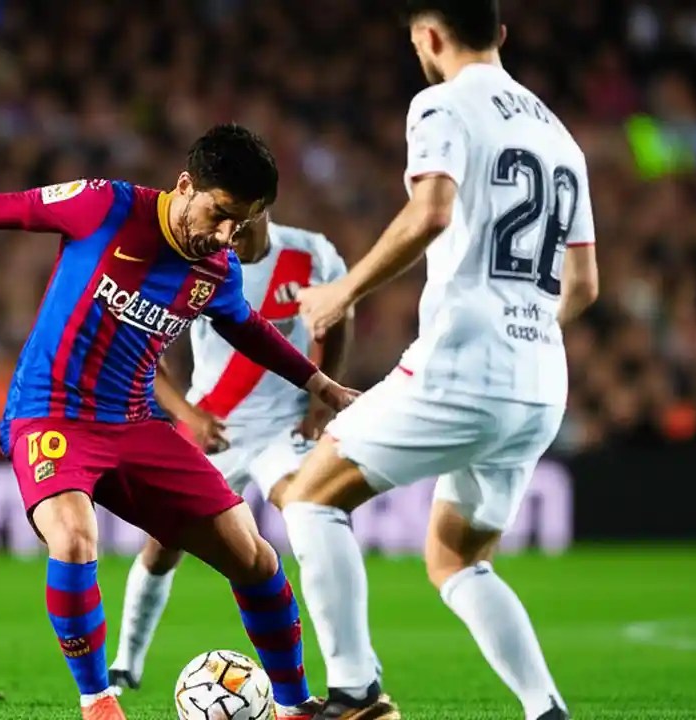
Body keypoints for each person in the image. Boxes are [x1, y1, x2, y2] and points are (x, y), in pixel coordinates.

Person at [0, 124, 357, 720]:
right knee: (72, 535)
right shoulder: (106, 206)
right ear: (184, 186)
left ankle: (294, 705)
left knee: (255, 558)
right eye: (220, 214)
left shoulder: (216, 270)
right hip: (51, 415)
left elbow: (248, 328)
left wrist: (322, 386)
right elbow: (0, 209)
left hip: (135, 425)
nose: (225, 236)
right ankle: (98, 701)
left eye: (241, 225)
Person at [279, 1, 600, 718]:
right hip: (540, 382)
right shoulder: (561, 137)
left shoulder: (441, 104)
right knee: (457, 560)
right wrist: (519, 326)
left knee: (309, 497)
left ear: (427, 37)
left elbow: (430, 211)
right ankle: (545, 709)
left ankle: (356, 692)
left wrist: (341, 292)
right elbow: (584, 286)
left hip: (464, 369)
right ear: (502, 36)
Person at [106, 212, 353, 694]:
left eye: (237, 209)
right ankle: (126, 663)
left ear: (261, 205)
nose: (227, 222)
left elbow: (341, 313)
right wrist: (189, 415)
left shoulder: (311, 252)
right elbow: (143, 354)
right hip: (213, 428)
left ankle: (348, 671)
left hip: (283, 430)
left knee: (308, 512)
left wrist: (320, 402)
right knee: (162, 546)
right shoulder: (198, 261)